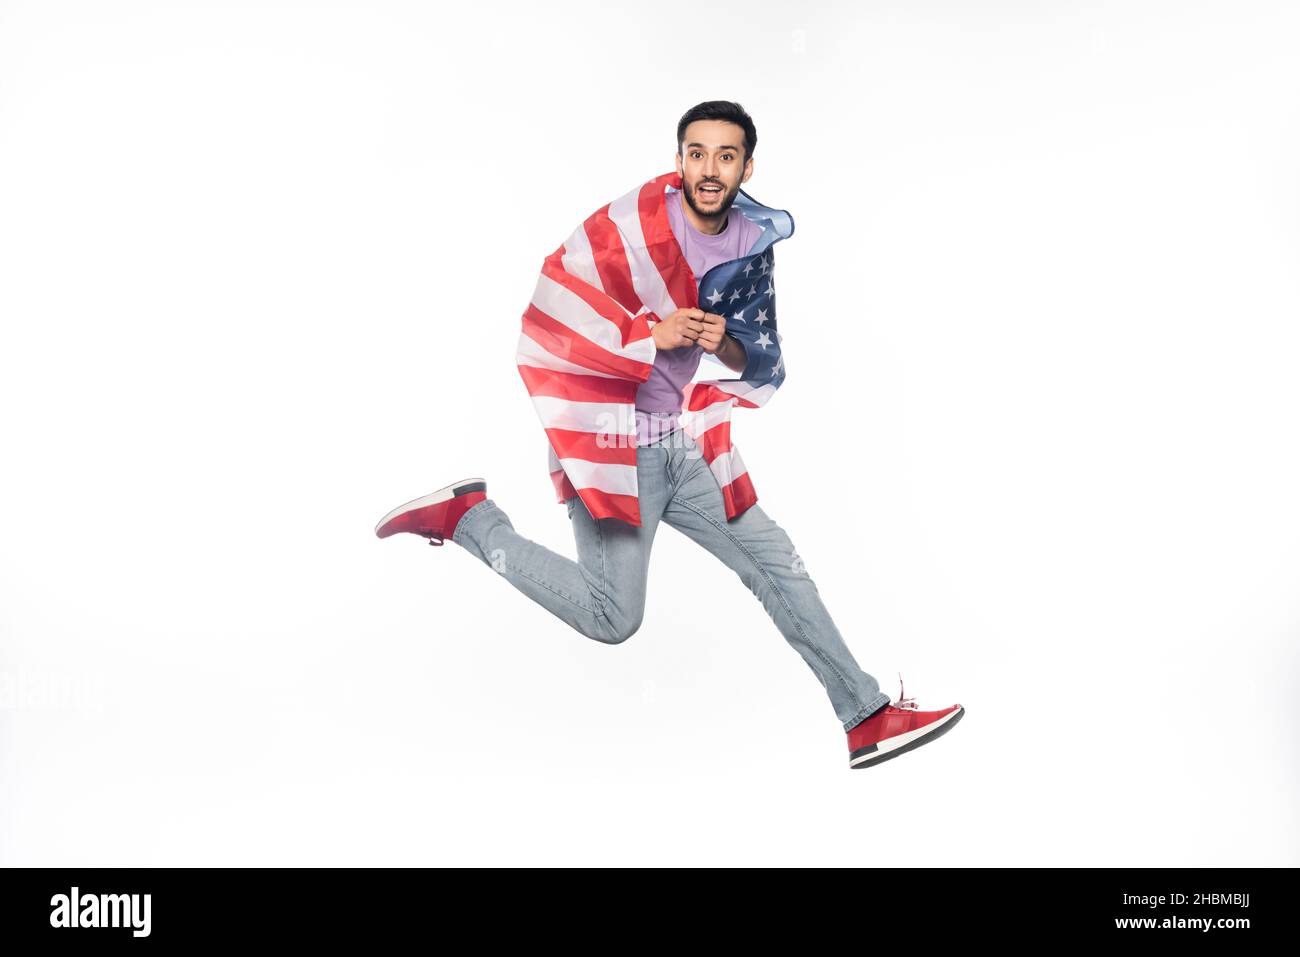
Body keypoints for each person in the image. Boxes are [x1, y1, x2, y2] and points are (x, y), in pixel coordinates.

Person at [375, 101, 964, 769]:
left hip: (679, 445)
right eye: (697, 152)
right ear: (679, 157)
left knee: (774, 559)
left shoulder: (750, 243)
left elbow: (757, 354)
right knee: (613, 618)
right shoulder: (630, 226)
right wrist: (644, 336)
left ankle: (864, 714)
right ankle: (471, 521)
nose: (709, 169)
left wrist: (729, 346)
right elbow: (551, 307)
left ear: (747, 165)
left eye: (726, 155)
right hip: (608, 441)